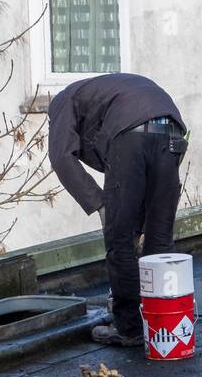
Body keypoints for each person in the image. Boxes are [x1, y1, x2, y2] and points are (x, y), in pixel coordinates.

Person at [48, 73, 188, 346]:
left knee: (119, 240)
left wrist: (100, 205)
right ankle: (163, 327)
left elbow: (62, 157)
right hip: (171, 131)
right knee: (158, 239)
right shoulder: (111, 91)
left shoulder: (62, 102)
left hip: (129, 136)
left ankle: (130, 329)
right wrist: (143, 222)